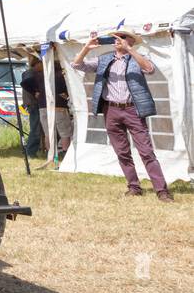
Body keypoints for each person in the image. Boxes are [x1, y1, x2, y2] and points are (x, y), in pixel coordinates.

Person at [71, 29, 172, 202]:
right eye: (115, 37)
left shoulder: (137, 57)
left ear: (131, 41)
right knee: (122, 152)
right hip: (111, 110)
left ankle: (162, 191)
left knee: (146, 151)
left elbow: (149, 69)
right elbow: (77, 65)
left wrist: (130, 50)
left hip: (133, 110)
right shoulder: (105, 58)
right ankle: (134, 187)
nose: (117, 40)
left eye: (122, 37)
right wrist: (87, 48)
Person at [39, 59, 72, 167]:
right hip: (58, 106)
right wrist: (69, 98)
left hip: (43, 106)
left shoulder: (43, 76)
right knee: (64, 131)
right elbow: (61, 92)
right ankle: (65, 151)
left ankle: (50, 153)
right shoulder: (60, 76)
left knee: (48, 132)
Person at [20, 57, 44, 157]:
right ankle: (30, 152)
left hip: (32, 103)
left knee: (36, 128)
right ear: (37, 63)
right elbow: (25, 83)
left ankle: (30, 150)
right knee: (36, 128)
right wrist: (35, 92)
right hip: (33, 104)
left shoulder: (29, 73)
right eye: (41, 64)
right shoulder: (30, 73)